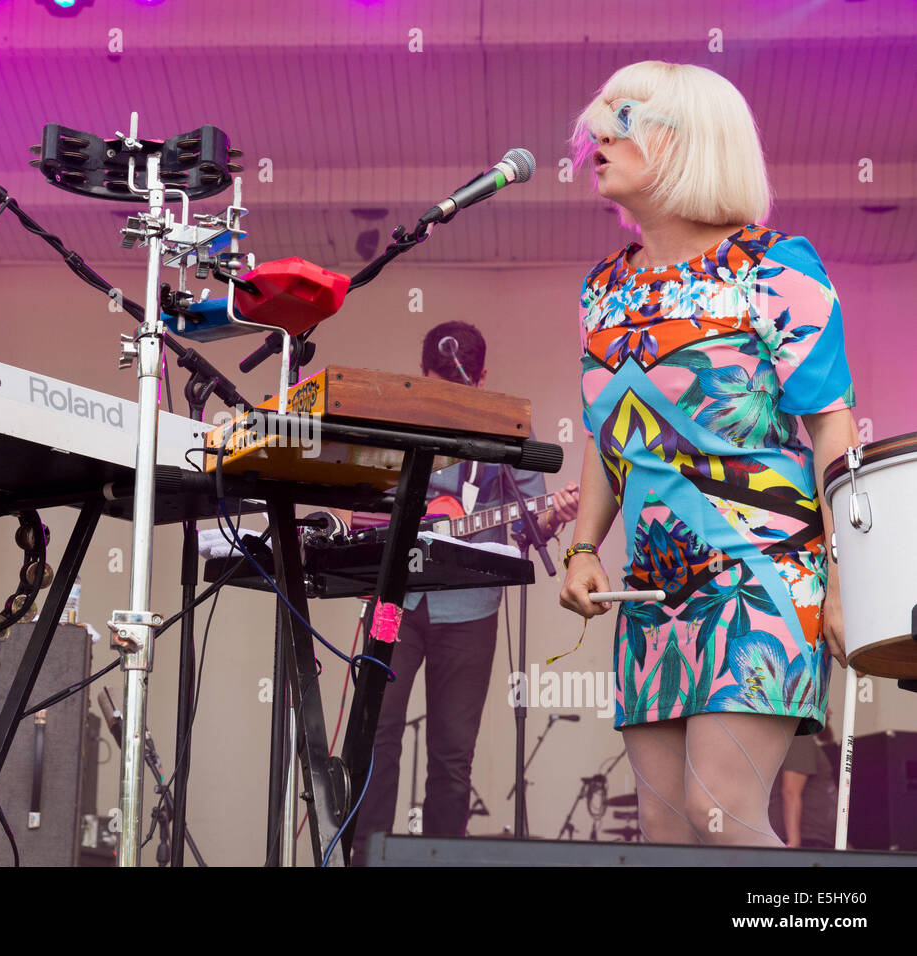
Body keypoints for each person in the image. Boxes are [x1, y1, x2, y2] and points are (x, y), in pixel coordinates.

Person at [558, 61, 858, 848]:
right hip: (652, 587)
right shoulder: (602, 290)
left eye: (621, 119)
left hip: (762, 566)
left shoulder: (776, 269)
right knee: (665, 834)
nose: (596, 137)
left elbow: (831, 425)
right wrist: (585, 545)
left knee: (719, 813)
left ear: (689, 144)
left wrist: (848, 575)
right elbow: (610, 431)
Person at [351, 320, 579, 865]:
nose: (448, 400)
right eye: (436, 387)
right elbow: (360, 502)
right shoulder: (395, 419)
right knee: (376, 735)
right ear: (420, 377)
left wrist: (554, 519)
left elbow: (528, 528)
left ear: (482, 380)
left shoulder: (507, 429)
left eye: (459, 389)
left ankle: (438, 859)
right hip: (393, 602)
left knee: (452, 754)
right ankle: (361, 855)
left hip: (471, 608)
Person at [768, 714, 839, 848]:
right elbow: (790, 791)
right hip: (805, 840)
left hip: (813, 838)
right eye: (824, 704)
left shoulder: (800, 737)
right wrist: (794, 843)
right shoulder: (800, 737)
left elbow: (827, 738)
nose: (829, 710)